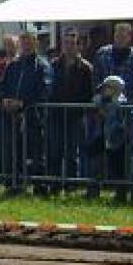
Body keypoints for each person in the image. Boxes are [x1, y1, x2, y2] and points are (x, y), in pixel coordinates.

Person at [0, 30, 53, 192]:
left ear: (35, 44)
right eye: (23, 42)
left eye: (29, 42)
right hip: (12, 117)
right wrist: (4, 100)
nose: (26, 45)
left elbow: (44, 90)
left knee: (37, 152)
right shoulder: (13, 65)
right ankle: (14, 184)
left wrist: (23, 103)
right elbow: (3, 86)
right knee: (13, 151)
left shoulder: (42, 65)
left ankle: (40, 185)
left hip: (34, 117)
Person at [50, 31, 95, 186]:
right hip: (55, 115)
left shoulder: (86, 68)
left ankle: (71, 185)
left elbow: (90, 92)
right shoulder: (54, 65)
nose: (68, 47)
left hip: (76, 115)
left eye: (72, 43)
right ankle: (54, 184)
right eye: (66, 43)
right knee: (54, 151)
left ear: (79, 46)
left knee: (72, 153)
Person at [88, 74, 130, 197]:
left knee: (118, 166)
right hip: (101, 135)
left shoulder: (121, 103)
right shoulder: (100, 100)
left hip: (117, 138)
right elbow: (95, 100)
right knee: (96, 163)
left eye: (107, 88)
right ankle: (93, 191)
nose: (103, 91)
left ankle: (121, 194)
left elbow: (117, 117)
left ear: (115, 89)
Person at [92, 22, 133, 104]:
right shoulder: (102, 54)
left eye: (123, 37)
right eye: (117, 36)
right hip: (105, 107)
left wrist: (130, 101)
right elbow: (95, 79)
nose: (119, 40)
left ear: (129, 37)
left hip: (129, 109)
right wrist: (102, 96)